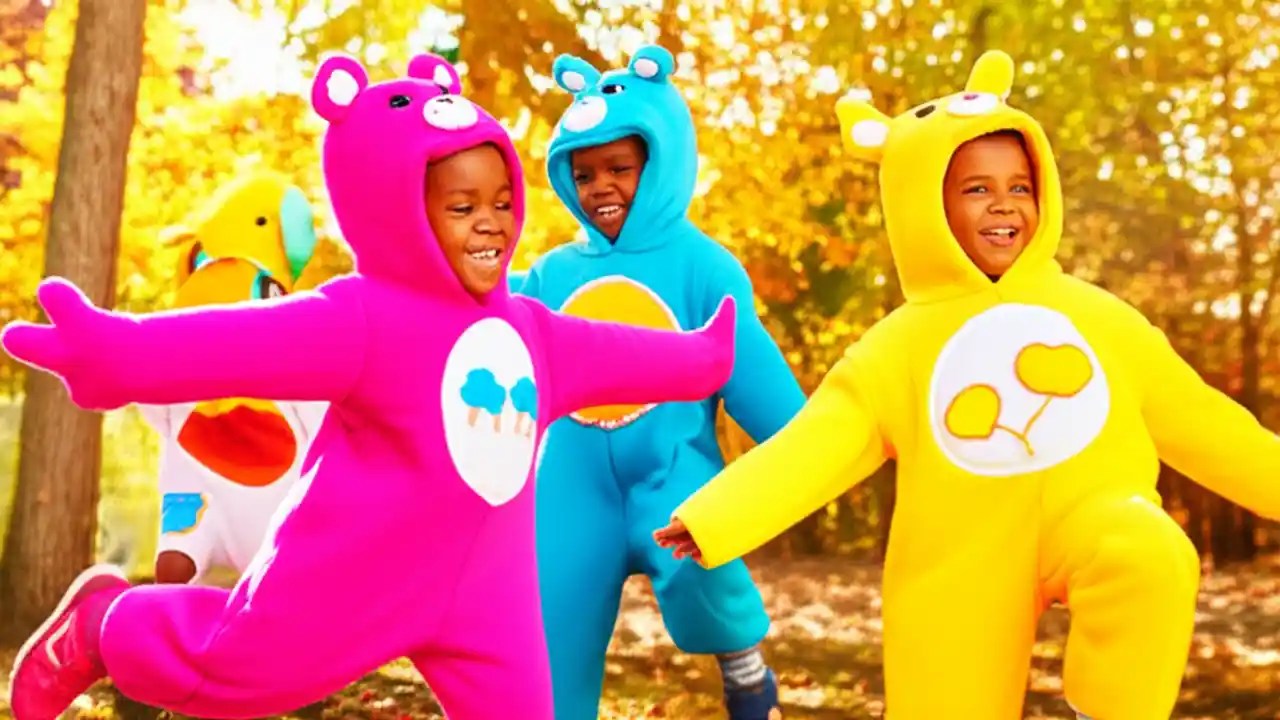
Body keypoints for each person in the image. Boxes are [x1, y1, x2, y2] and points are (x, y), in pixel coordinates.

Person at [4, 51, 739, 720]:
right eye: (461, 208)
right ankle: (105, 625)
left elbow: (621, 355)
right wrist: (116, 355)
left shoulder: (536, 332)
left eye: (501, 203)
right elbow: (228, 345)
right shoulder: (360, 318)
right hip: (351, 579)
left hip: (490, 599)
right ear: (398, 212)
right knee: (233, 672)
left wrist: (703, 358)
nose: (489, 225)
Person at [655, 49, 1280, 720]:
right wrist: (718, 515)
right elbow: (818, 444)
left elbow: (1205, 421)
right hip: (958, 556)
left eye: (1020, 186)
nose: (1005, 205)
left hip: (1094, 517)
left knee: (1150, 554)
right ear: (923, 203)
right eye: (977, 188)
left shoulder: (1103, 320)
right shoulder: (896, 348)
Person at [517, 44, 799, 720]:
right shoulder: (551, 276)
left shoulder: (702, 264)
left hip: (670, 468)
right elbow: (507, 360)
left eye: (620, 168)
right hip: (571, 482)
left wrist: (808, 442)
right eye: (583, 174)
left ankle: (744, 667)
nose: (601, 187)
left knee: (701, 559)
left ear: (662, 161)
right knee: (552, 607)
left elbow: (746, 363)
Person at [142, 171, 328, 585]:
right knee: (182, 563)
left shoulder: (182, 332)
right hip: (254, 499)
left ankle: (171, 606)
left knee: (179, 562)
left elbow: (153, 400)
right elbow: (319, 411)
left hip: (211, 492)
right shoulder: (281, 326)